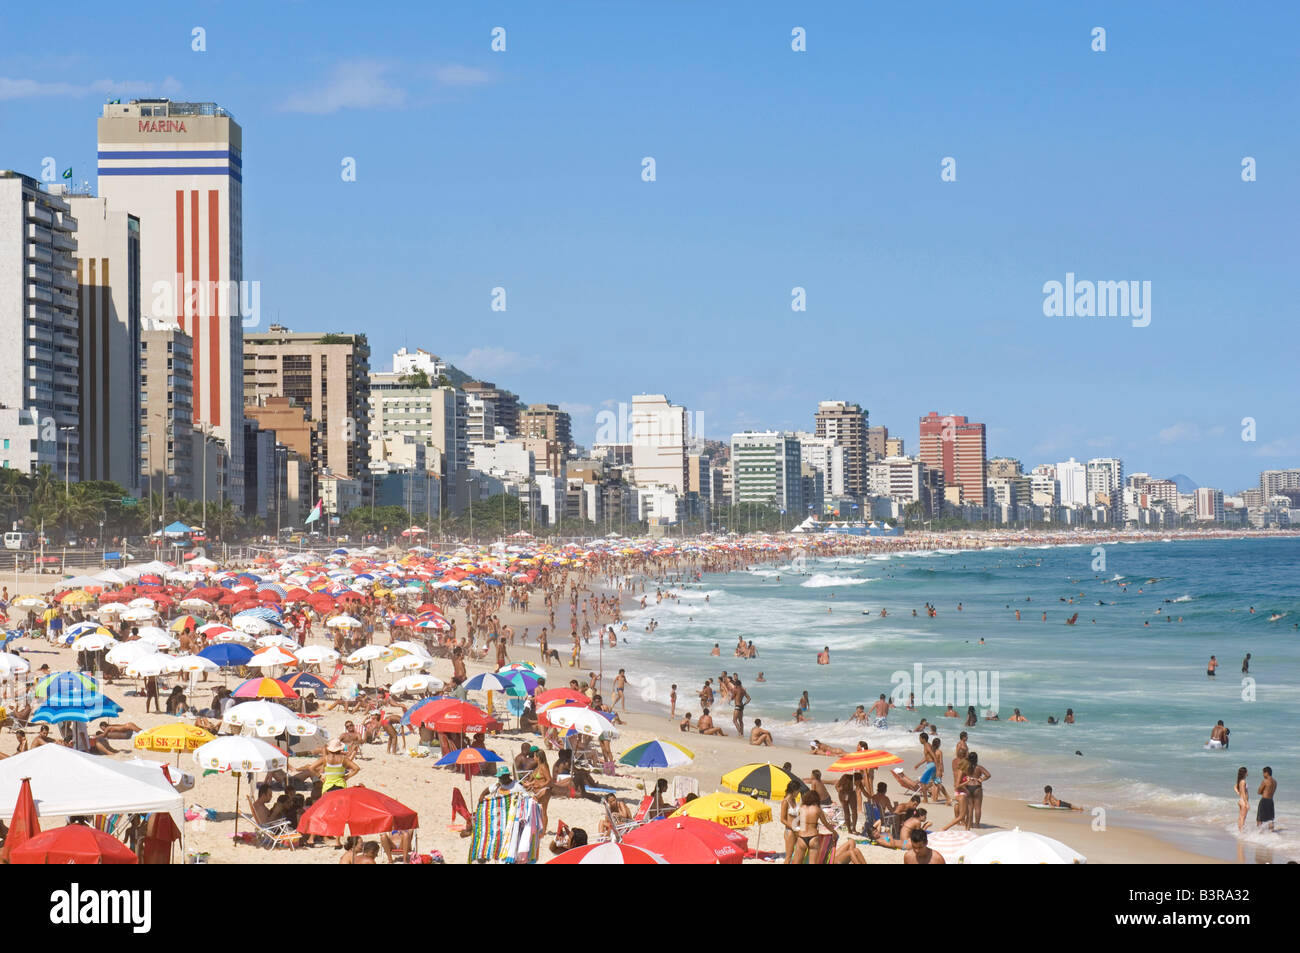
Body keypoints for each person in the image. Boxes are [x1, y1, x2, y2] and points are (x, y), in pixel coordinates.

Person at [786, 790, 836, 865]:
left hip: (802, 837)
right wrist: (834, 832)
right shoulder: (817, 809)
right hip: (813, 837)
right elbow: (826, 824)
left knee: (796, 862)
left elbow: (798, 824)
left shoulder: (802, 808)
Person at [1257, 766, 1276, 832]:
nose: (1263, 774)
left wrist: (1263, 792)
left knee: (1259, 819)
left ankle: (1259, 833)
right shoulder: (1275, 782)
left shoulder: (1265, 781)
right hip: (1271, 801)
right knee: (1270, 819)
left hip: (1264, 801)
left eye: (1263, 773)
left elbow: (1259, 792)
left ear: (1266, 773)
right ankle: (1272, 833)